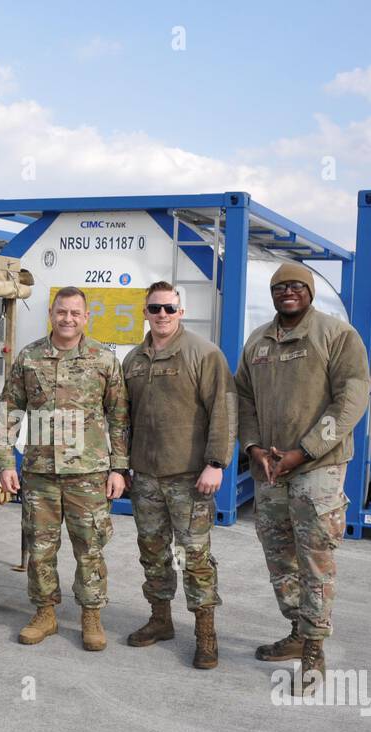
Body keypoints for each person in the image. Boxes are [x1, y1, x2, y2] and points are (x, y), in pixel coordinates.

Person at [235, 261, 370, 694]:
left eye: (296, 286)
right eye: (279, 287)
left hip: (317, 468)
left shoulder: (336, 336)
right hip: (270, 469)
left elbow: (352, 399)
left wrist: (304, 451)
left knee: (316, 559)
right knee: (279, 557)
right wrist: (254, 447)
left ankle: (314, 648)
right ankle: (297, 630)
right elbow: (242, 397)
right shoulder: (257, 341)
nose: (287, 292)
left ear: (310, 292)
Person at [0, 287, 129, 651]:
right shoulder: (30, 356)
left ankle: (91, 616)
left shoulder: (103, 359)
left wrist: (119, 469)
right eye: (61, 312)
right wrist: (6, 461)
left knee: (90, 548)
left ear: (86, 317)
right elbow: (10, 409)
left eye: (75, 313)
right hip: (40, 472)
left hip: (88, 473)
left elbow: (118, 417)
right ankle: (44, 613)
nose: (67, 319)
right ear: (51, 314)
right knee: (41, 548)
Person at [121, 281, 236, 669]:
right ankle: (160, 619)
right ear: (145, 312)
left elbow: (224, 409)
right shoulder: (134, 360)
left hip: (190, 477)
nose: (162, 315)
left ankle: (206, 634)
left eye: (170, 308)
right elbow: (123, 419)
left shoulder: (203, 354)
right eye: (155, 308)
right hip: (147, 478)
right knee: (152, 553)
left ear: (181, 311)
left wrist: (216, 462)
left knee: (194, 557)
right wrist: (122, 467)